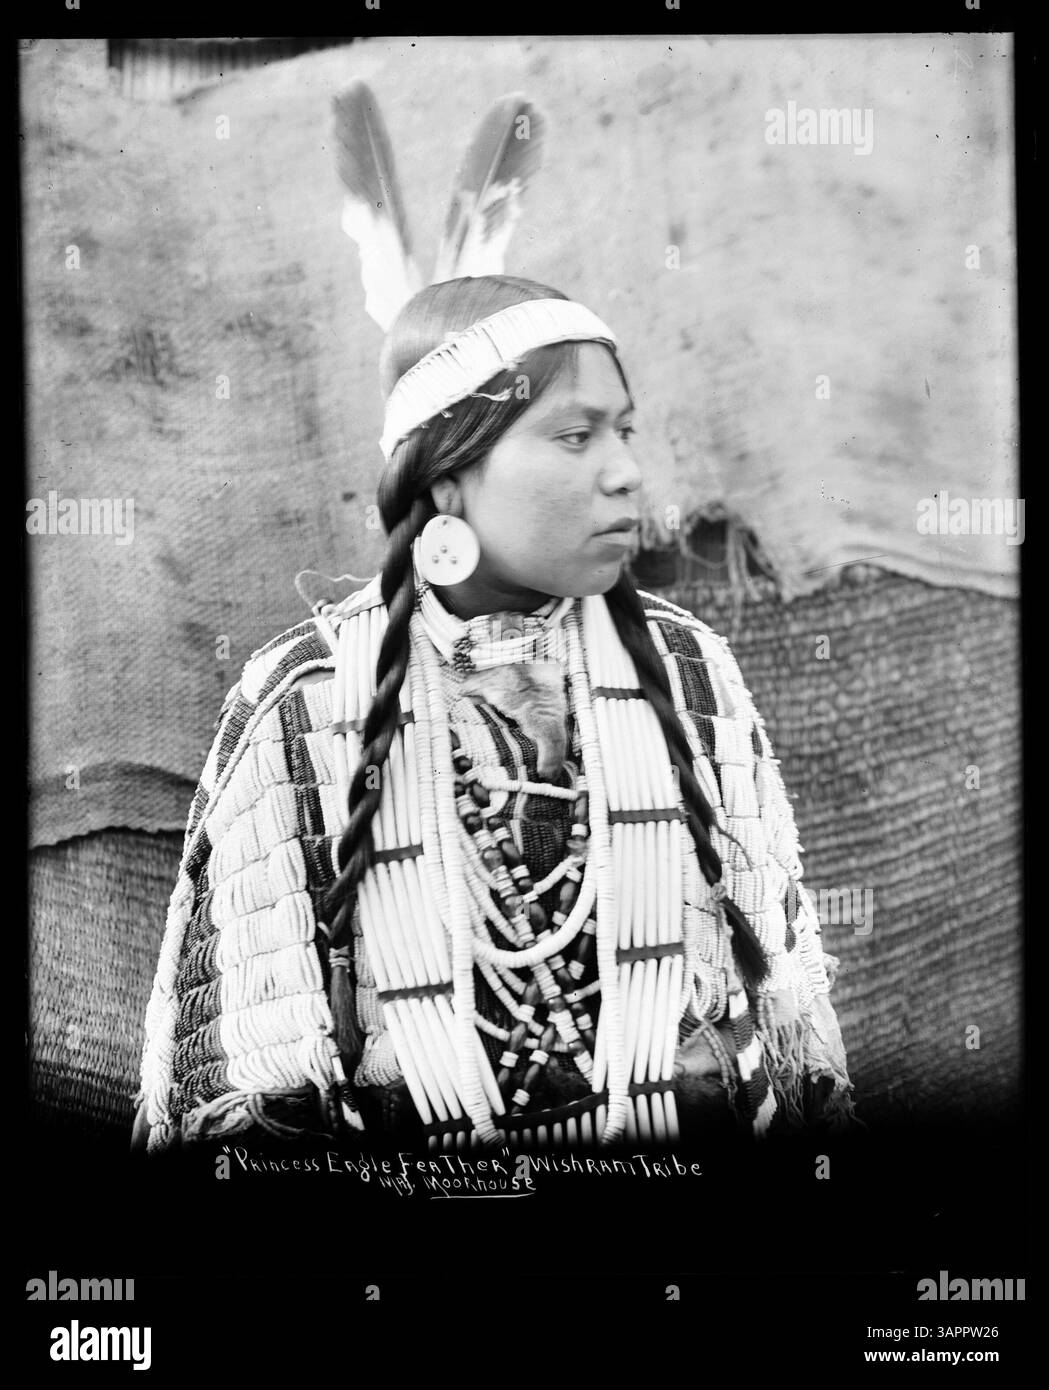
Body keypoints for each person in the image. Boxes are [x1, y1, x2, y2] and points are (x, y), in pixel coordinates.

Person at [134, 274, 854, 1155]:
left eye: (622, 431)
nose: (626, 472)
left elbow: (789, 1031)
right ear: (445, 479)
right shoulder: (311, 703)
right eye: (575, 436)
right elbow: (254, 1104)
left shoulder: (683, 667)